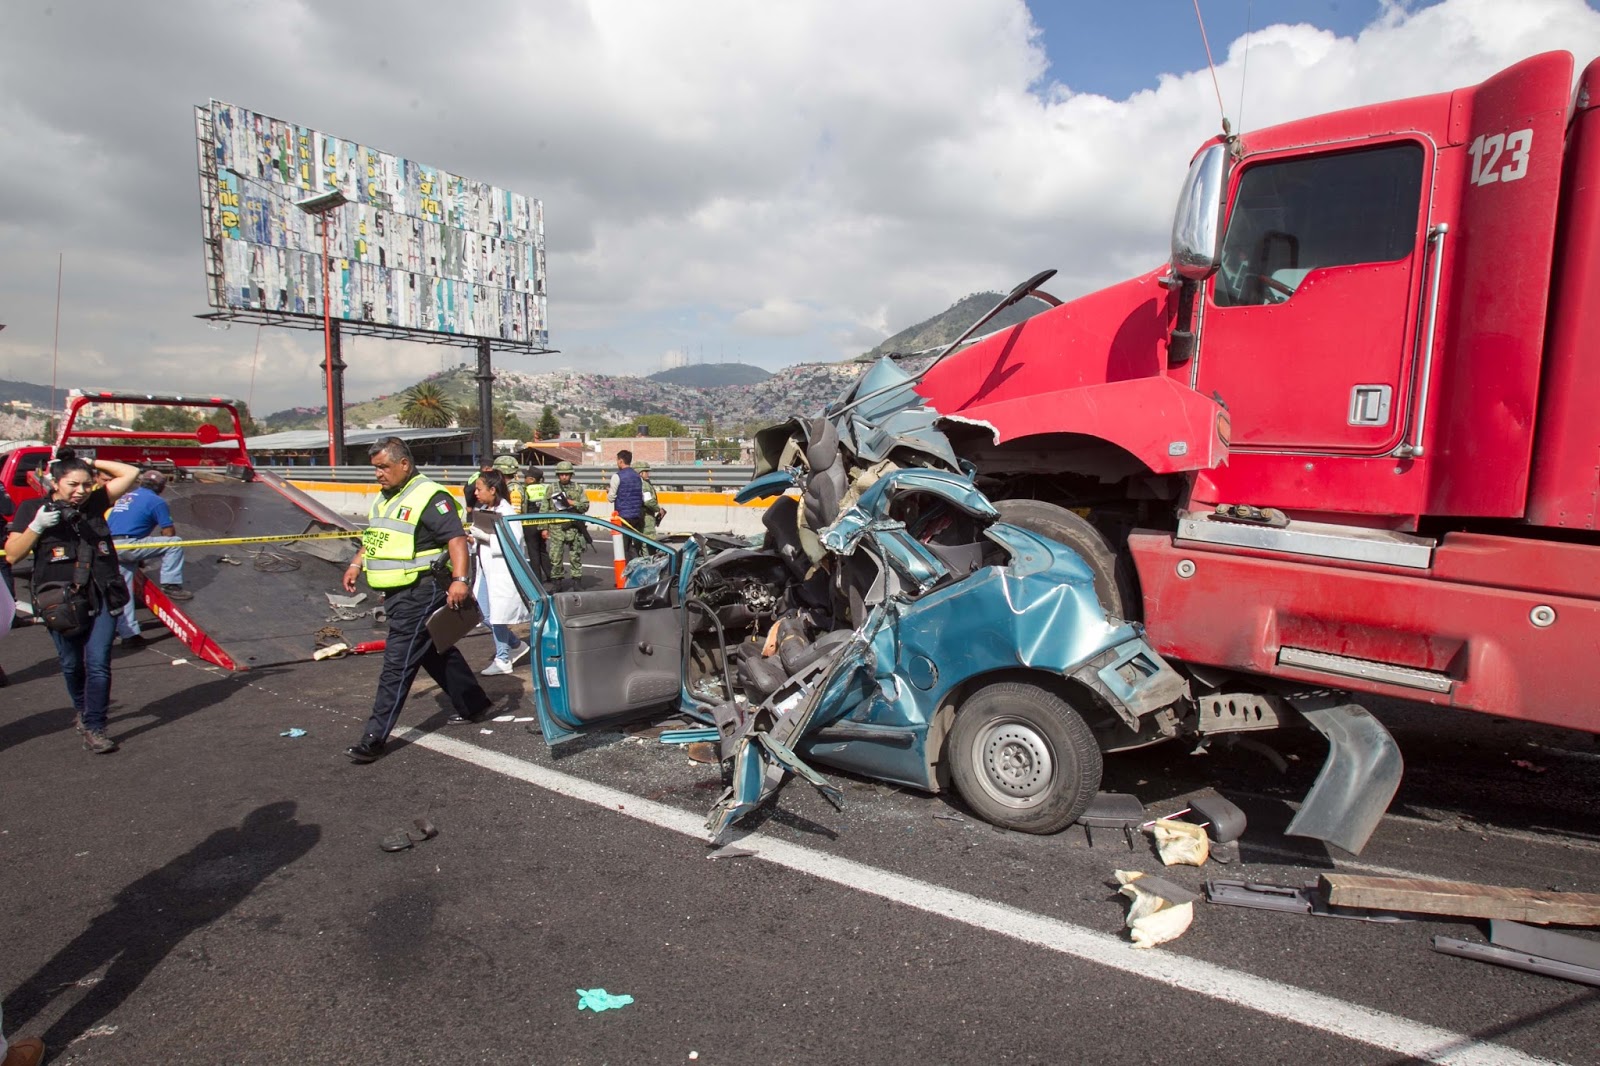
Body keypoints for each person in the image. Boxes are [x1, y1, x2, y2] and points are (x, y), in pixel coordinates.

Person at [341, 437, 493, 763]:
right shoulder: (386, 498)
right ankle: (474, 703)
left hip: (421, 589)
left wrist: (460, 581)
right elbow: (376, 538)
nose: (378, 474)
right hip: (397, 592)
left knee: (398, 663)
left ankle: (375, 737)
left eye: (383, 467)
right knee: (433, 649)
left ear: (404, 464)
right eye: (375, 468)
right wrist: (356, 563)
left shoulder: (428, 495)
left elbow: (455, 540)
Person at [4, 454, 141, 754]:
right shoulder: (32, 508)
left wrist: (91, 459)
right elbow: (13, 554)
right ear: (55, 482)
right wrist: (37, 526)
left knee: (99, 663)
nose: (80, 491)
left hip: (102, 592)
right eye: (73, 484)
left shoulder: (94, 503)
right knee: (70, 663)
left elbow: (130, 472)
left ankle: (95, 725)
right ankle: (82, 709)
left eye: (87, 484)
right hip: (60, 600)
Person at [107, 469, 193, 645]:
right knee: (175, 543)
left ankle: (129, 635)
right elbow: (168, 533)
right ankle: (171, 584)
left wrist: (141, 554)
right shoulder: (156, 501)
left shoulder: (127, 497)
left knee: (124, 592)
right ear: (161, 487)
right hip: (128, 545)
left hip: (110, 546)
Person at [466, 470, 531, 675]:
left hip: (501, 571)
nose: (476, 493)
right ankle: (515, 645)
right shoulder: (485, 509)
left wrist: (484, 537)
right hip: (487, 570)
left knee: (496, 615)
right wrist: (474, 540)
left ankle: (503, 658)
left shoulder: (508, 513)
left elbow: (513, 542)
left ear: (492, 490)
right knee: (484, 613)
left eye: (479, 489)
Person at [539, 460, 590, 592]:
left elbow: (585, 506)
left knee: (575, 556)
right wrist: (544, 527)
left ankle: (577, 582)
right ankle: (557, 583)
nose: (564, 477)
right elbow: (544, 509)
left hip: (573, 528)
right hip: (557, 528)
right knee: (555, 557)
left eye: (567, 474)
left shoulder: (578, 488)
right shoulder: (552, 488)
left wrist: (573, 503)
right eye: (561, 474)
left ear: (571, 475)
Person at [607, 449, 646, 561]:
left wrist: (609, 492)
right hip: (637, 516)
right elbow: (641, 495)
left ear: (620, 461)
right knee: (634, 545)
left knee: (623, 548)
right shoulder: (638, 476)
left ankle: (628, 571)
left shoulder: (617, 476)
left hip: (623, 517)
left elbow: (611, 498)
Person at [519, 465, 552, 582]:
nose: (524, 479)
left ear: (532, 479)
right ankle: (551, 575)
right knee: (542, 549)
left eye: (526, 477)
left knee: (533, 551)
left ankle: (536, 578)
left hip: (529, 523)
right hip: (543, 522)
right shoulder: (545, 488)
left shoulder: (525, 489)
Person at [637, 461, 666, 546]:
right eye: (646, 472)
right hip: (647, 517)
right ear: (641, 473)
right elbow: (648, 501)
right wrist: (658, 509)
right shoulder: (644, 484)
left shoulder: (642, 483)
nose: (648, 474)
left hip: (642, 516)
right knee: (649, 541)